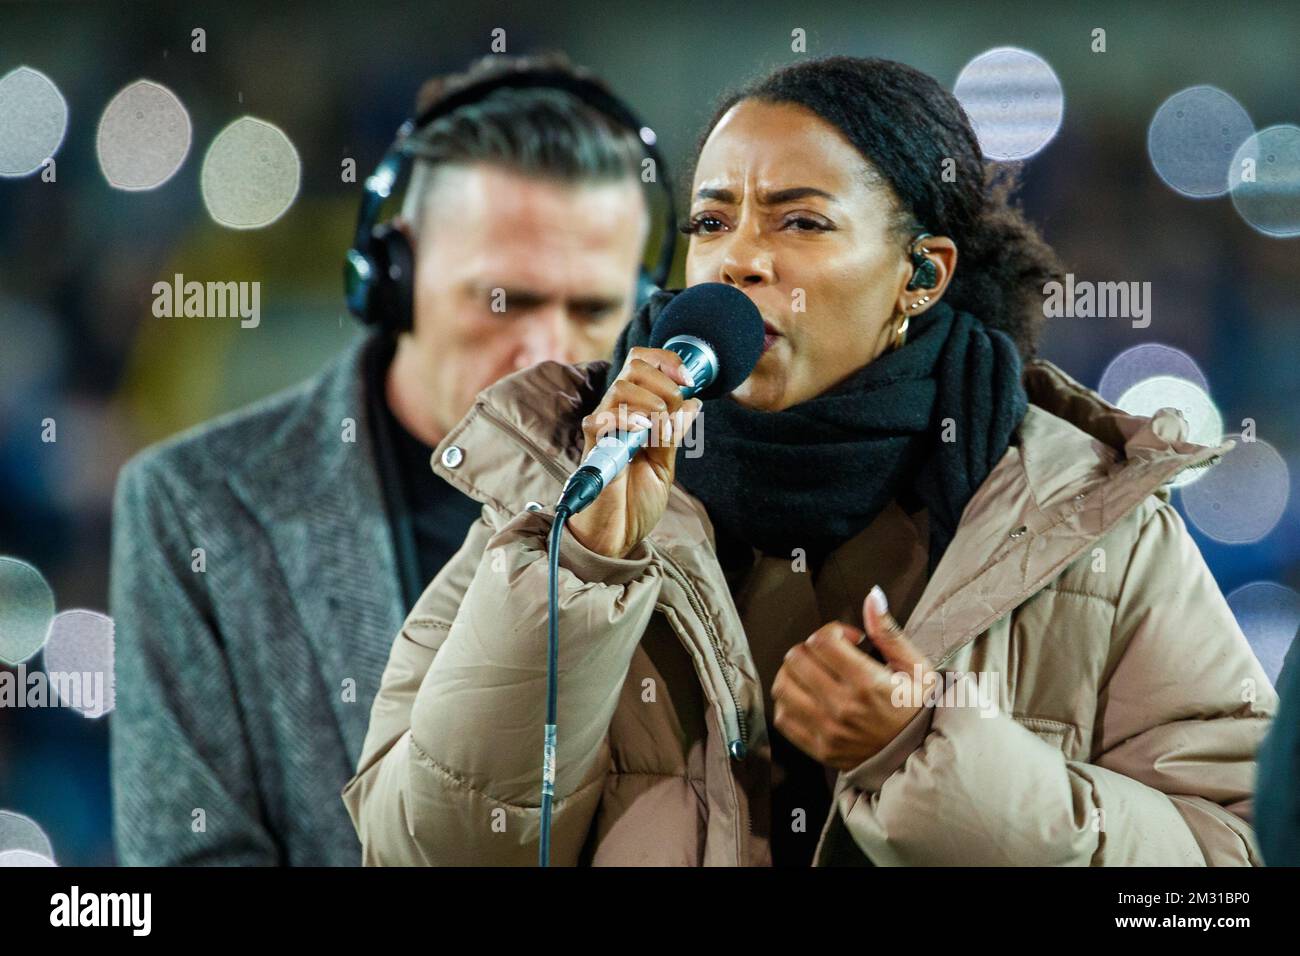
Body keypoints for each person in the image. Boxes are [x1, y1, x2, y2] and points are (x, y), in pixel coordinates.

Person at [343, 56, 1275, 866]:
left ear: (922, 275)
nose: (739, 259)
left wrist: (925, 753)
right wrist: (580, 572)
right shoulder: (563, 483)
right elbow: (422, 848)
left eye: (801, 224)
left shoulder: (1084, 517)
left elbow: (1220, 877)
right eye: (711, 223)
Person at [110, 53, 662, 865]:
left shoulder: (690, 497)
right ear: (393, 276)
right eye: (502, 300)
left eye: (590, 308)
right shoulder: (192, 505)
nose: (545, 347)